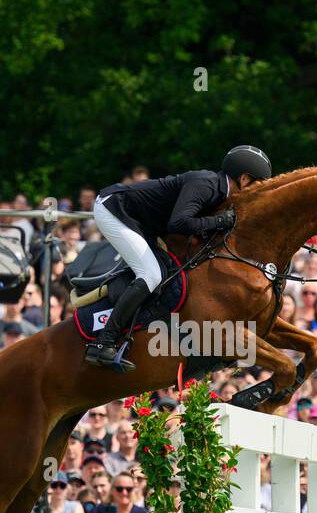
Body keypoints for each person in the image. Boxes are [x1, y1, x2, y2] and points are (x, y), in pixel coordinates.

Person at [85, 146, 271, 370]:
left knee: (165, 271)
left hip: (140, 220)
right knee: (152, 274)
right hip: (114, 209)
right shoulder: (207, 185)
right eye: (258, 185)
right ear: (243, 178)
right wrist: (220, 222)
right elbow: (179, 223)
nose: (260, 192)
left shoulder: (221, 192)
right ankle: (103, 342)